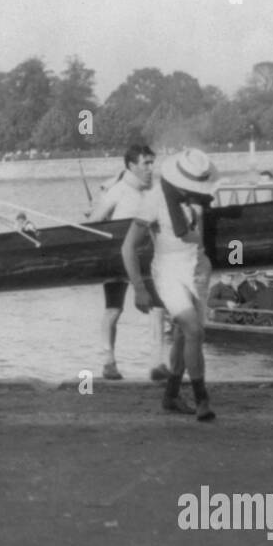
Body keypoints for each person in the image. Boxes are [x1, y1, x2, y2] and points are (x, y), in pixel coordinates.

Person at [122, 147, 219, 421]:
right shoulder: (153, 200)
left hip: (198, 269)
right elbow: (128, 248)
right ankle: (202, 399)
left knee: (183, 335)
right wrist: (139, 288)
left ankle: (171, 395)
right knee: (193, 330)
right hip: (168, 271)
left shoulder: (199, 196)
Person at [88, 144, 166, 380]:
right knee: (114, 310)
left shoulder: (153, 191)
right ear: (132, 166)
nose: (151, 168)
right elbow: (94, 223)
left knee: (158, 308)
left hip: (146, 260)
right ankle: (108, 362)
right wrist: (93, 213)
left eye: (153, 163)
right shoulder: (118, 191)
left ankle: (156, 364)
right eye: (146, 163)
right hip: (116, 259)